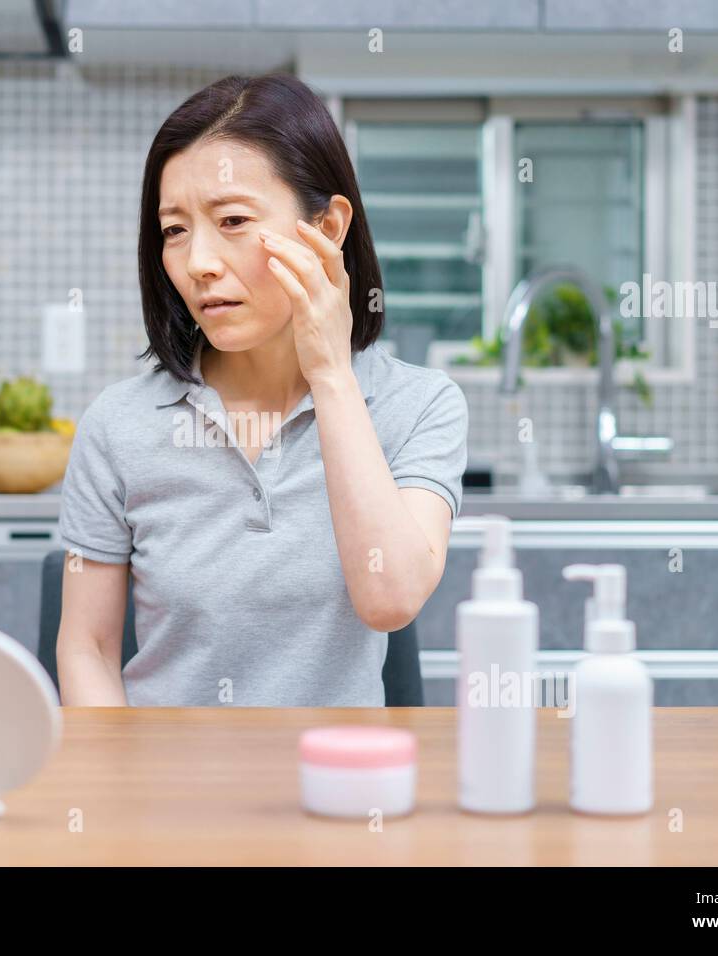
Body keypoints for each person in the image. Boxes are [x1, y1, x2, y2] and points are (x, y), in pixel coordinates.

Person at [56, 73, 468, 706]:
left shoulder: (421, 406)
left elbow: (390, 600)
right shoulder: (119, 425)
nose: (198, 263)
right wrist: (117, 791)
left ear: (328, 226)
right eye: (175, 230)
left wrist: (330, 373)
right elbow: (88, 648)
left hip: (339, 790)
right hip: (164, 792)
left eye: (234, 220)